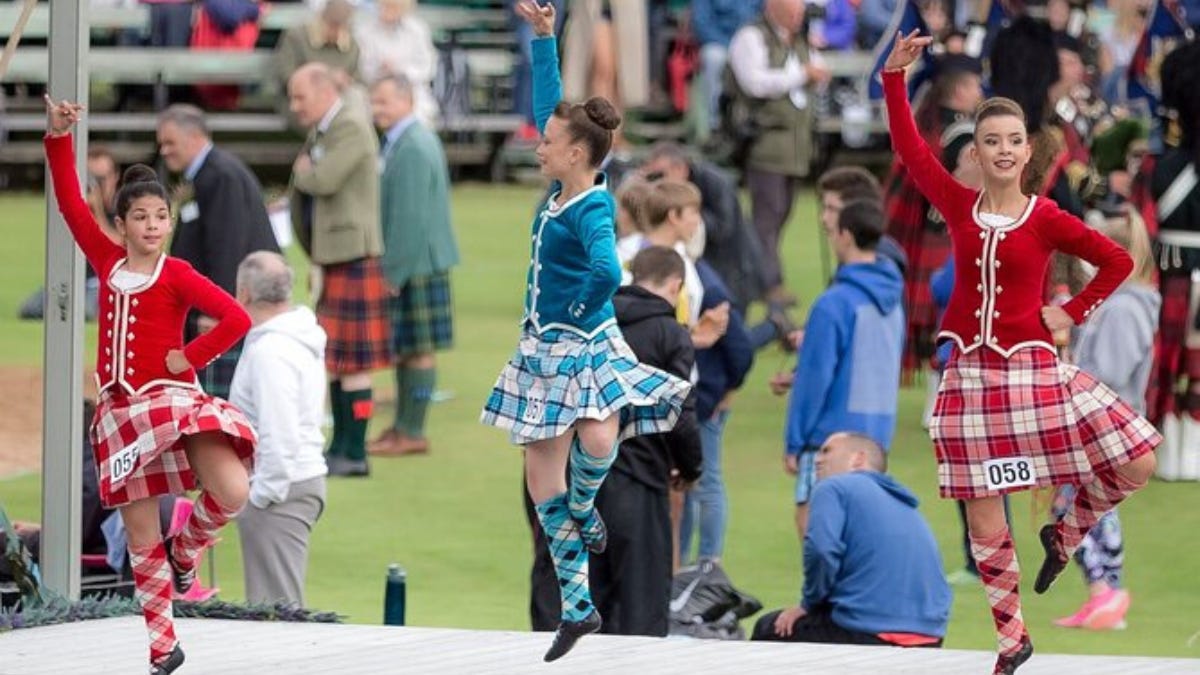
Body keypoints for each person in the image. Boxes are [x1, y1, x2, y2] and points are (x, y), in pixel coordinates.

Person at [883, 31, 1161, 674]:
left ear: (1027, 150)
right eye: (991, 142)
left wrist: (1071, 309)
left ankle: (1065, 534)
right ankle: (1012, 640)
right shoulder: (957, 205)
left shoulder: (1047, 217)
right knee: (985, 519)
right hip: (971, 378)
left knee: (1139, 459)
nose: (1003, 151)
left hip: (1036, 371)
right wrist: (895, 80)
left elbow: (1118, 260)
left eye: (1013, 141)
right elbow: (908, 149)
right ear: (975, 154)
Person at [480, 2, 690, 662]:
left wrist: (578, 312)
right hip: (547, 345)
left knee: (592, 439)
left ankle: (582, 506)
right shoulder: (566, 187)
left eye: (547, 142)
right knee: (547, 477)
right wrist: (545, 39)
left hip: (571, 342)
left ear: (574, 153)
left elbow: (606, 267)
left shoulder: (591, 207)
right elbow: (552, 104)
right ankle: (577, 605)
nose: (537, 144)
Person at [45, 96, 257, 675]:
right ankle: (163, 646)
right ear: (122, 224)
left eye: (160, 218)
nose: (152, 227)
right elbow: (68, 203)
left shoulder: (178, 273)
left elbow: (237, 318)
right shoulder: (107, 261)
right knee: (141, 534)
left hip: (170, 400)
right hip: (119, 412)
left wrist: (186, 356)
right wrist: (59, 137)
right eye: (140, 218)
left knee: (232, 489)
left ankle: (187, 551)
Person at [530, 246, 703, 636]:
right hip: (639, 487)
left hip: (571, 481)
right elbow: (681, 415)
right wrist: (690, 468)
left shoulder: (581, 326)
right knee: (641, 613)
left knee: (565, 609)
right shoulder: (670, 334)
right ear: (676, 286)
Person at [1051, 205, 1159, 630]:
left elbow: (1107, 374)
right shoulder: (1116, 304)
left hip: (1103, 427)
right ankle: (1104, 595)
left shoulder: (1123, 309)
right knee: (1087, 510)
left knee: (1072, 508)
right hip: (1098, 424)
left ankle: (1104, 592)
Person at [288, 62, 391, 477]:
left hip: (353, 252)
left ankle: (355, 449)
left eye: (300, 97)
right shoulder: (329, 126)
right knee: (335, 357)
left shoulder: (349, 125)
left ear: (325, 90)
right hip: (334, 253)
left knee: (355, 363)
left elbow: (324, 179)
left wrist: (305, 173)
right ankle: (340, 446)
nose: (295, 107)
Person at [752, 432, 951, 647]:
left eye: (827, 451)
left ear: (858, 459)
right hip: (930, 637)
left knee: (769, 629)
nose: (818, 458)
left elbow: (821, 550)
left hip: (866, 630)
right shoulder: (906, 505)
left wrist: (808, 604)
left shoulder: (834, 487)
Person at [783, 198, 904, 539]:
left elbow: (814, 378)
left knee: (814, 529)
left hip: (829, 437)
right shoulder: (894, 300)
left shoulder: (834, 301)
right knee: (859, 534)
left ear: (846, 236)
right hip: (877, 436)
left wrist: (795, 441)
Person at [159, 103, 281, 400]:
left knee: (220, 402)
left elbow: (228, 247)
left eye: (170, 142)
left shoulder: (220, 175)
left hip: (227, 309)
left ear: (195, 137)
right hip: (224, 305)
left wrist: (217, 311)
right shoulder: (206, 174)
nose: (164, 150)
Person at [367, 74, 460, 458]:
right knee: (406, 349)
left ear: (406, 101)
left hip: (417, 264)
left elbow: (410, 216)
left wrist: (393, 272)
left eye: (384, 102)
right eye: (375, 102)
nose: (378, 109)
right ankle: (403, 426)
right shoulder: (403, 141)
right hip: (415, 262)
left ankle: (413, 430)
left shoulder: (413, 146)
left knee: (419, 351)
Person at [230, 252, 329, 608]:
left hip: (280, 489)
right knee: (274, 609)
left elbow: (280, 431)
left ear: (243, 293)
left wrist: (260, 497)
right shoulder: (287, 339)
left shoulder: (271, 351)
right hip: (291, 483)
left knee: (277, 612)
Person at [727, 0, 831, 307]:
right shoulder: (751, 37)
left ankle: (751, 275)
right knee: (767, 218)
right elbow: (755, 83)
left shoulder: (801, 41)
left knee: (781, 214)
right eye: (793, 12)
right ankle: (770, 286)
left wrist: (812, 69)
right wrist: (802, 73)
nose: (799, 18)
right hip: (765, 143)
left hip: (797, 147)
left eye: (800, 12)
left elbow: (820, 79)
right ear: (773, 7)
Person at [356, 0, 440, 127]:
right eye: (384, 6)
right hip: (375, 89)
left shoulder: (418, 30)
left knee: (420, 115)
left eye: (393, 7)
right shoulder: (364, 31)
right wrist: (381, 70)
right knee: (363, 113)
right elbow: (362, 69)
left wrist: (400, 70)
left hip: (410, 89)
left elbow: (428, 67)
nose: (387, 11)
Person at [691, 0, 764, 134]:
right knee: (713, 57)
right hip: (720, 44)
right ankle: (716, 123)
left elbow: (764, 17)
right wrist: (731, 46)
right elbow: (701, 23)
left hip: (750, 44)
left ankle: (757, 119)